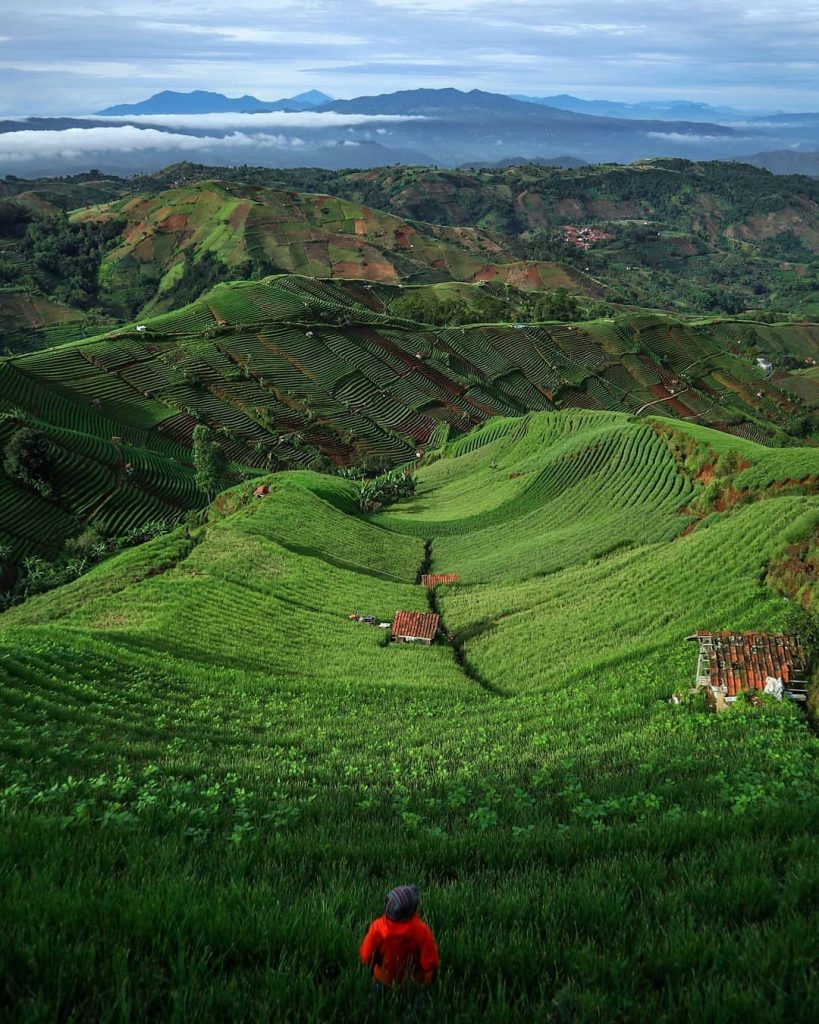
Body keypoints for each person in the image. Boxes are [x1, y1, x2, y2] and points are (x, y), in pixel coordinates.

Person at [359, 884, 440, 994]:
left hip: (384, 980)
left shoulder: (376, 928)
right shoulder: (422, 931)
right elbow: (431, 963)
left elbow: (366, 957)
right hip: (414, 983)